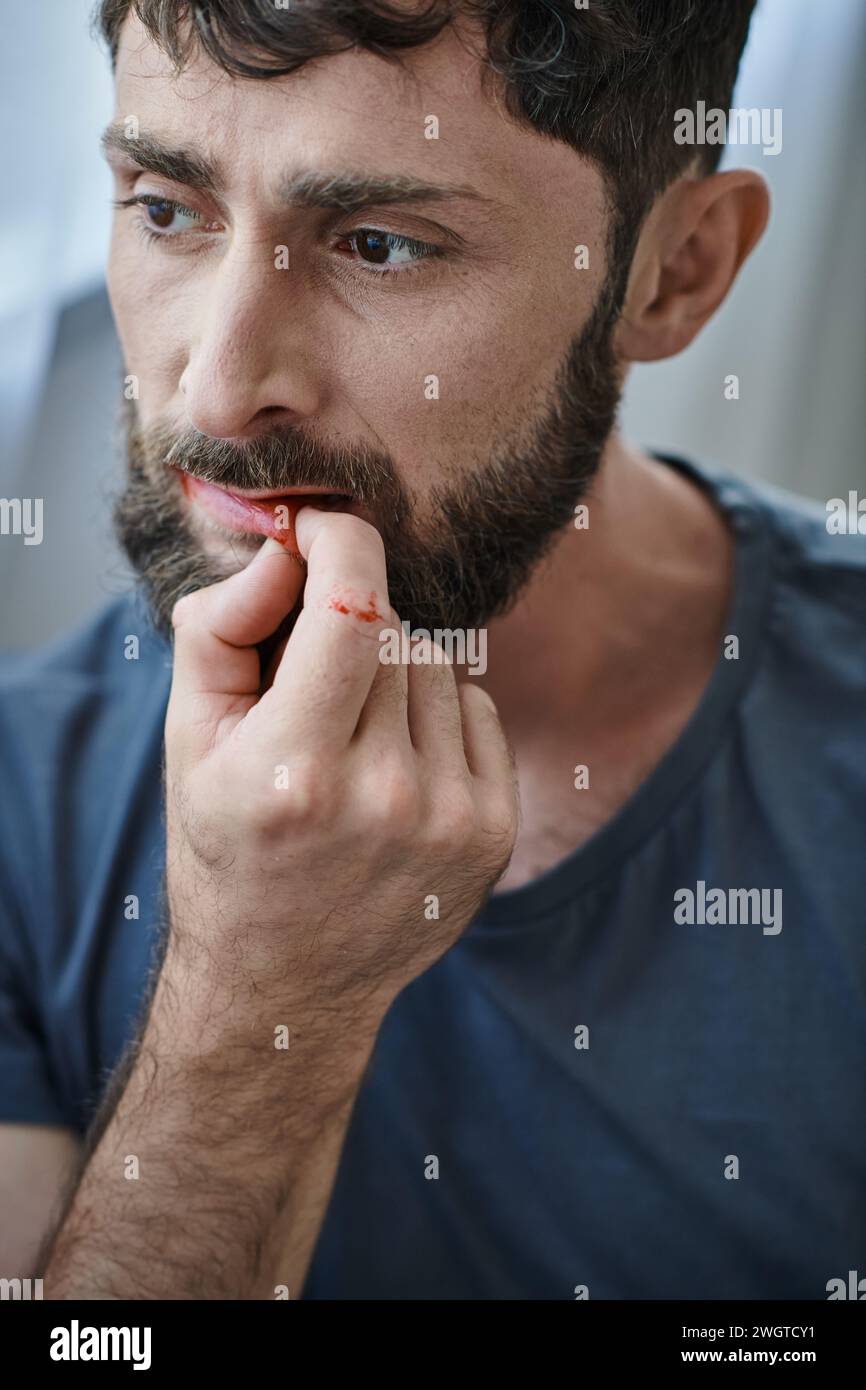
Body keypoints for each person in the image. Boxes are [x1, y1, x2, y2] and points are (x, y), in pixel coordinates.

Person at [1, 0, 863, 1300]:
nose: (218, 388)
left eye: (380, 243)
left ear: (673, 271)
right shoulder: (16, 801)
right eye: (167, 207)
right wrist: (255, 1010)